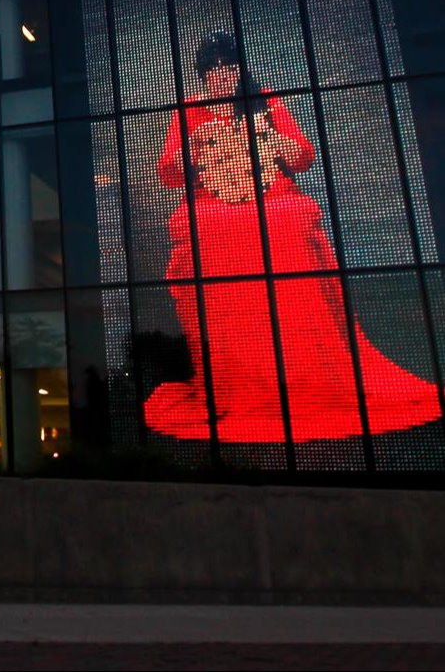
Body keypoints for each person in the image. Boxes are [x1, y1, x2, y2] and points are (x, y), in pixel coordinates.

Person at [144, 30, 441, 443]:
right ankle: (236, 377)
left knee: (288, 220)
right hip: (213, 200)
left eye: (227, 67)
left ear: (239, 68)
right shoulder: (189, 111)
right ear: (202, 76)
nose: (220, 76)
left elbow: (302, 157)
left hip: (273, 195)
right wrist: (195, 148)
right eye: (211, 70)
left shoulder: (266, 98)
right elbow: (168, 173)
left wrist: (271, 137)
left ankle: (310, 370)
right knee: (204, 229)